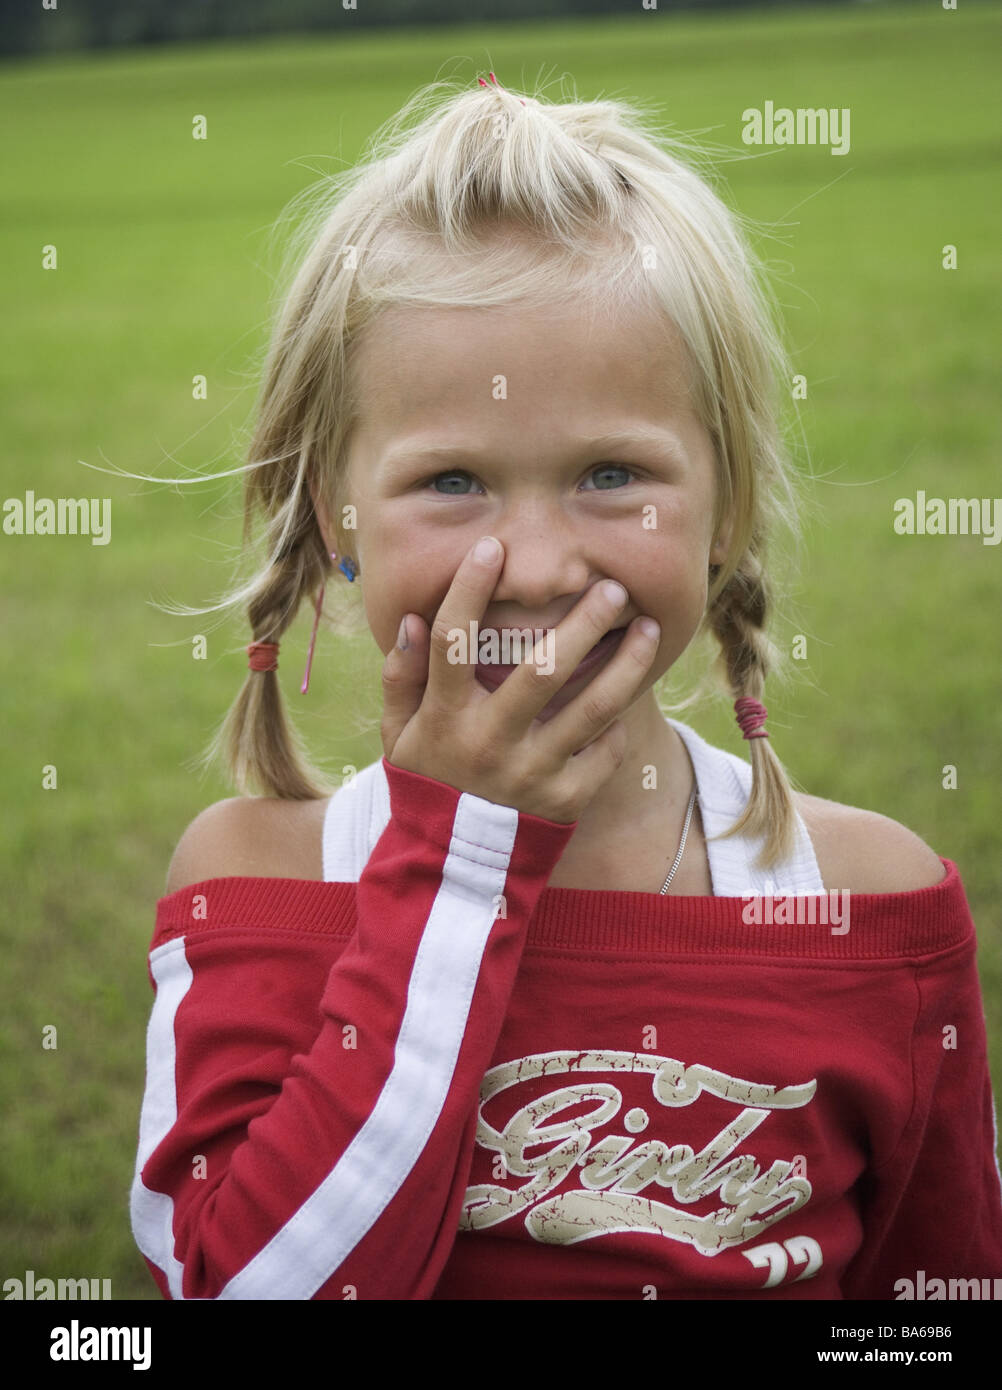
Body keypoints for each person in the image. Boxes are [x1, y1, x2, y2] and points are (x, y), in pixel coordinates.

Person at [130, 74, 1002, 1300]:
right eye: (451, 482)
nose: (534, 569)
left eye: (609, 472)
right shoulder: (259, 887)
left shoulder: (873, 913)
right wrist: (455, 854)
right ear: (337, 522)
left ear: (726, 509)